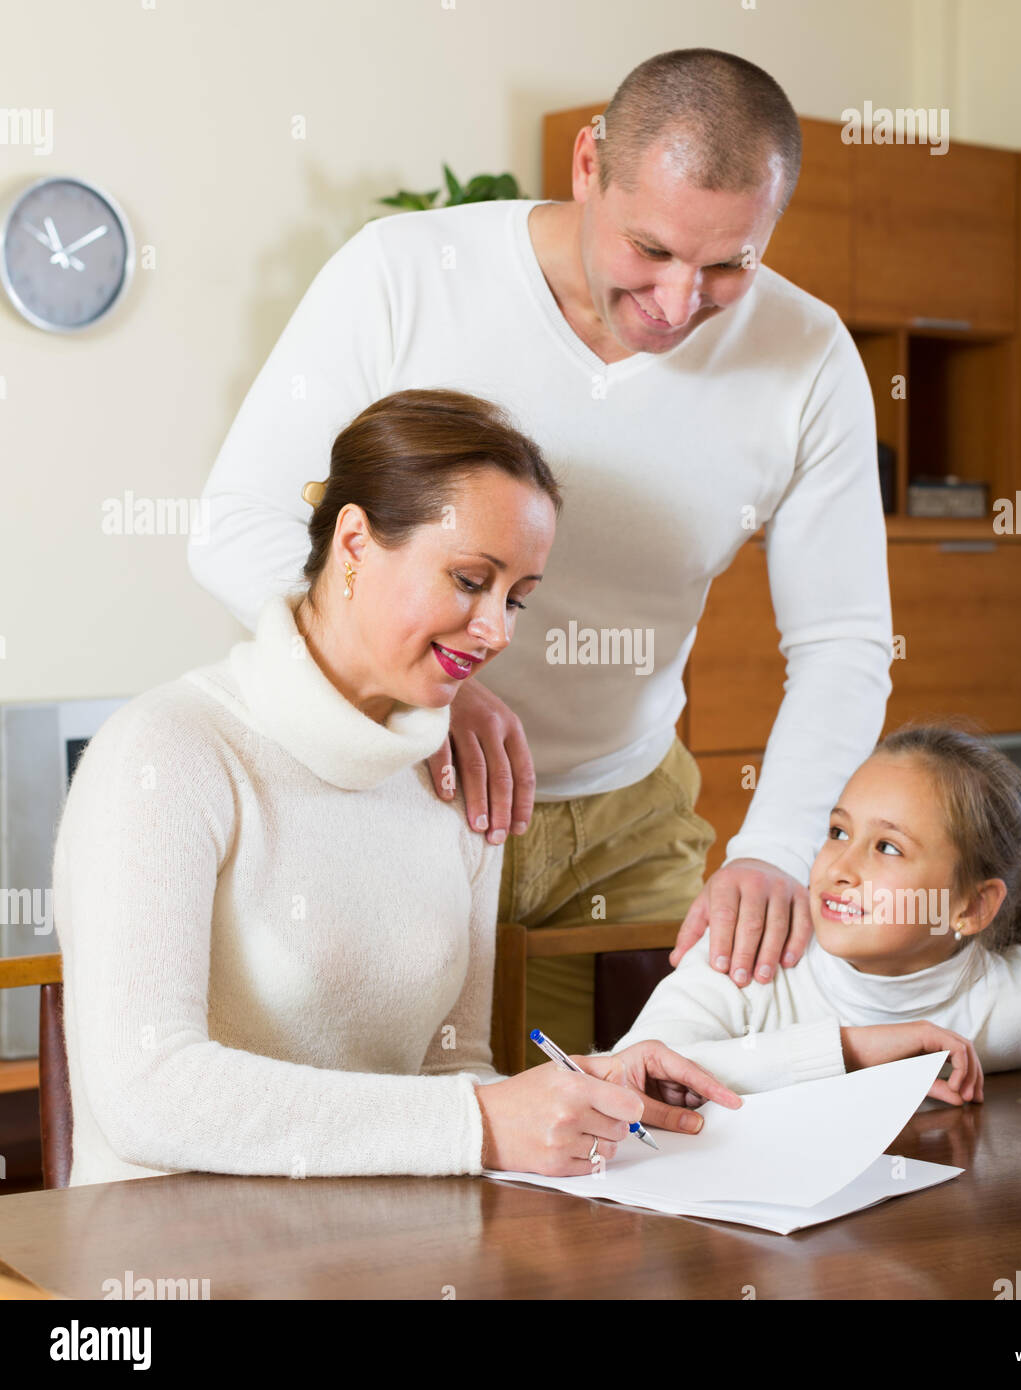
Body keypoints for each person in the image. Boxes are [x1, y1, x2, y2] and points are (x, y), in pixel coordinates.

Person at [189, 49, 892, 1067]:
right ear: (586, 164)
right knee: (391, 1156)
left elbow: (842, 642)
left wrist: (777, 849)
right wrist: (422, 692)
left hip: (628, 822)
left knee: (639, 1147)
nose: (677, 300)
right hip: (386, 792)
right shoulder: (404, 275)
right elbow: (236, 521)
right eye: (648, 247)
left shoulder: (808, 356)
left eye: (729, 265)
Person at [52, 388, 746, 1188]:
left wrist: (579, 1094)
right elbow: (146, 1095)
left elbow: (454, 1080)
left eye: (516, 597)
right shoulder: (168, 752)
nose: (498, 631)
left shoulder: (456, 779)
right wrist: (479, 1122)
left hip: (390, 1249)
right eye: (468, 579)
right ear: (354, 544)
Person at [611, 724, 1021, 1111]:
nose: (838, 865)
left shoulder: (1006, 997)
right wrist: (854, 1049)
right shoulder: (748, 959)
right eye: (837, 831)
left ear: (969, 908)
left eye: (887, 847)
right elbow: (636, 1068)